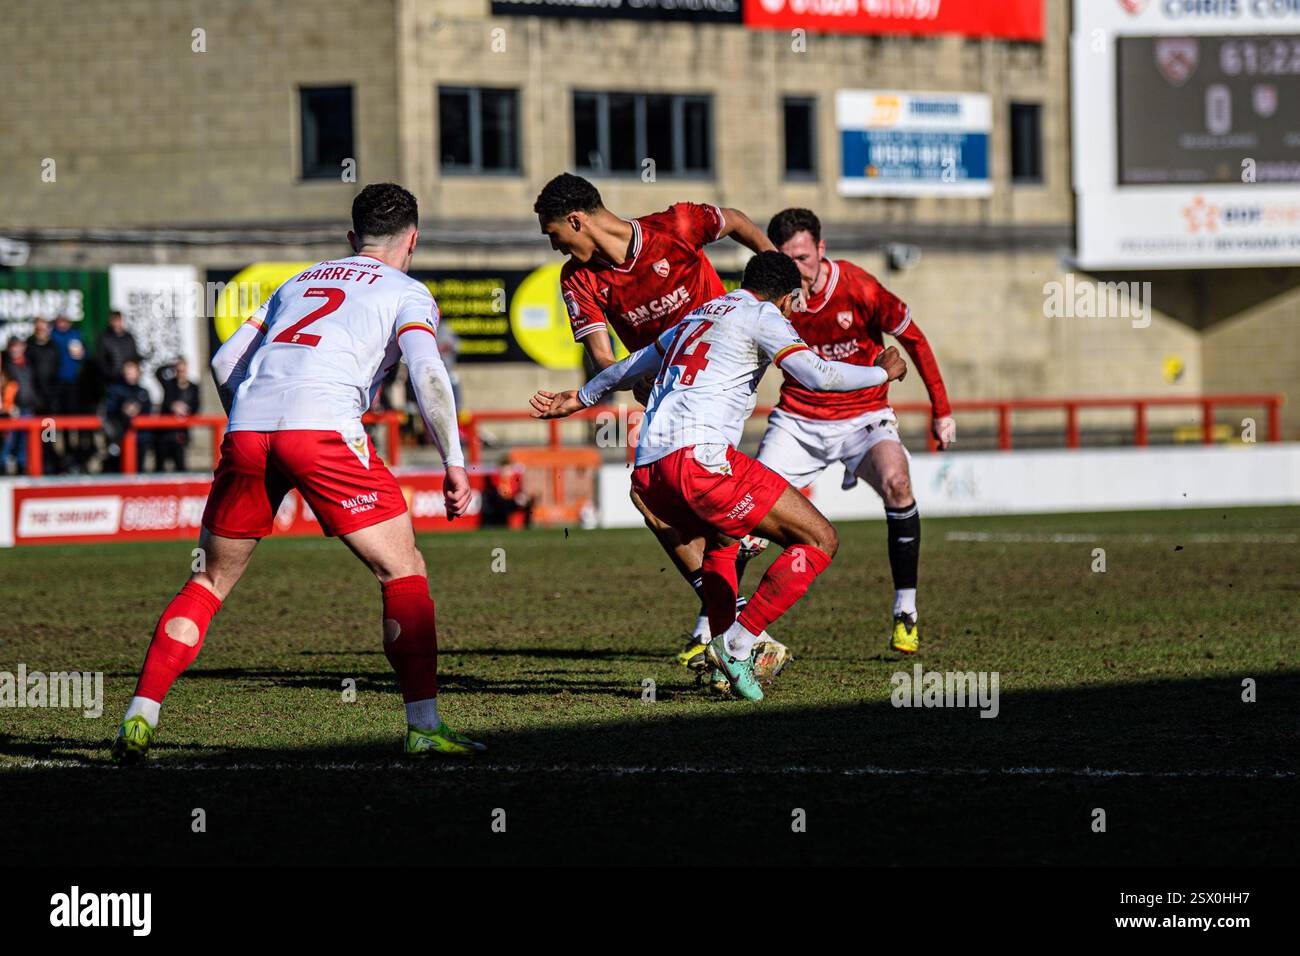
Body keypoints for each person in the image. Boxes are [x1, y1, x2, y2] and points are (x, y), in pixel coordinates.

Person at [112, 183, 483, 763]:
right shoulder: (407, 291)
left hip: (249, 430)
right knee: (402, 569)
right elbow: (427, 373)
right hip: (325, 431)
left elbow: (223, 359)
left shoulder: (299, 280)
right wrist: (453, 463)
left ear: (350, 238)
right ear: (414, 239)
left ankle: (139, 716)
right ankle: (424, 727)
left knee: (208, 583)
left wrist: (251, 423)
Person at [530, 251, 908, 701]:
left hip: (650, 472)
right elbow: (818, 376)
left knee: (725, 542)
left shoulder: (700, 314)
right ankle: (738, 643)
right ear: (787, 299)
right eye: (793, 304)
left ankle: (719, 662)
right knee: (820, 539)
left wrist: (582, 395)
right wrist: (880, 372)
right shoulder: (765, 314)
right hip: (699, 460)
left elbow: (631, 365)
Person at [534, 172, 789, 673]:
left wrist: (779, 273)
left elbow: (735, 221)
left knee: (665, 493)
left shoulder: (675, 225)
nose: (554, 246)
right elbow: (603, 361)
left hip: (720, 384)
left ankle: (737, 600)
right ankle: (731, 613)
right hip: (668, 399)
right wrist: (637, 375)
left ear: (576, 220)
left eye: (553, 234)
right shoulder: (578, 279)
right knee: (652, 497)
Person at [742, 210, 955, 654]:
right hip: (798, 422)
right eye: (786, 259)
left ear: (821, 250)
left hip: (864, 419)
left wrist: (942, 409)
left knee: (898, 484)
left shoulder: (859, 288)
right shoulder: (773, 302)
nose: (796, 269)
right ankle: (715, 627)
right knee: (745, 520)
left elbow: (913, 339)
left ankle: (905, 611)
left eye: (802, 257)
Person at [49, 314, 90, 472]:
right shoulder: (52, 336)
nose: (62, 323)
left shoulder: (75, 335)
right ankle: (52, 456)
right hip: (54, 386)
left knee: (73, 420)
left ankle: (73, 455)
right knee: (51, 422)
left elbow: (85, 354)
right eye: (60, 320)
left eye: (65, 320)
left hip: (74, 384)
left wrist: (82, 353)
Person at [103, 359, 151, 472]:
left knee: (139, 470)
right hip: (119, 437)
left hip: (140, 439)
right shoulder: (116, 391)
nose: (129, 374)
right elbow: (109, 411)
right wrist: (122, 409)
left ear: (138, 372)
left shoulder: (143, 392)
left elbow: (148, 413)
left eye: (132, 371)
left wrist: (138, 408)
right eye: (127, 371)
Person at [1, 337, 39, 474]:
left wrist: (35, 403)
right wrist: (8, 407)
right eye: (12, 346)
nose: (15, 349)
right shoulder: (4, 366)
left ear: (23, 347)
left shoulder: (28, 365)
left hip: (27, 409)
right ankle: (3, 469)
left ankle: (22, 468)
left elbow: (31, 386)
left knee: (25, 443)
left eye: (18, 346)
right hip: (11, 412)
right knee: (8, 443)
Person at [155, 357, 199, 471]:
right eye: (178, 370)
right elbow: (158, 372)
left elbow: (196, 406)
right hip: (165, 432)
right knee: (160, 466)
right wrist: (171, 364)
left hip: (181, 431)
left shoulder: (193, 387)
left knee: (180, 465)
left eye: (183, 370)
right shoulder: (169, 384)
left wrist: (185, 410)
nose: (181, 373)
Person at [97, 310, 142, 385]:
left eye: (118, 320)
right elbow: (101, 360)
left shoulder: (128, 337)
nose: (116, 323)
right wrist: (111, 373)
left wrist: (133, 371)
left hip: (129, 379)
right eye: (114, 320)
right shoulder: (105, 338)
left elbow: (134, 356)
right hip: (113, 380)